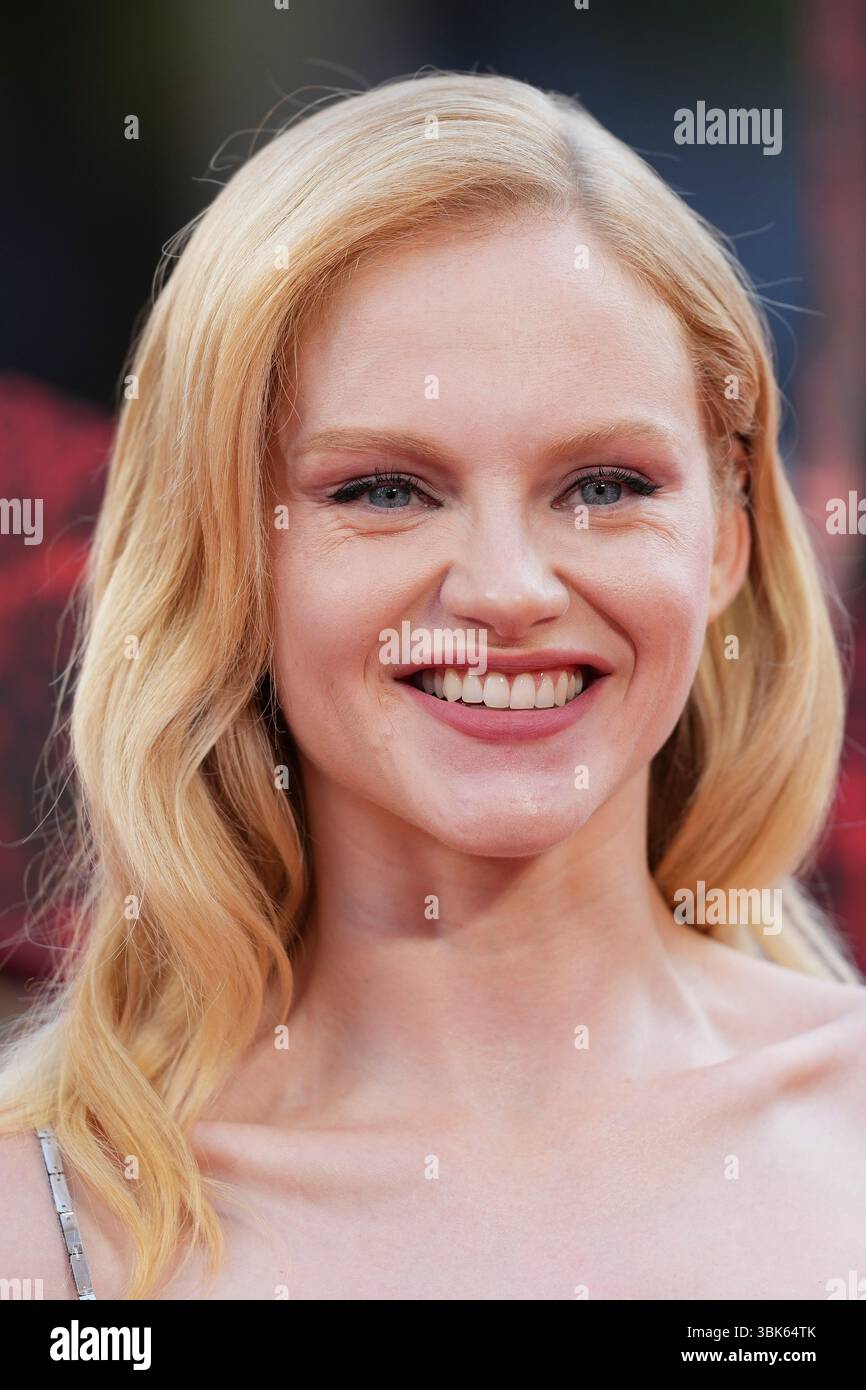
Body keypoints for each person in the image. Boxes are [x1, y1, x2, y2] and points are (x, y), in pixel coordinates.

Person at [1, 71, 864, 1302]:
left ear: (724, 531)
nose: (507, 589)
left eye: (605, 483)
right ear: (228, 548)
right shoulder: (45, 1232)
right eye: (385, 490)